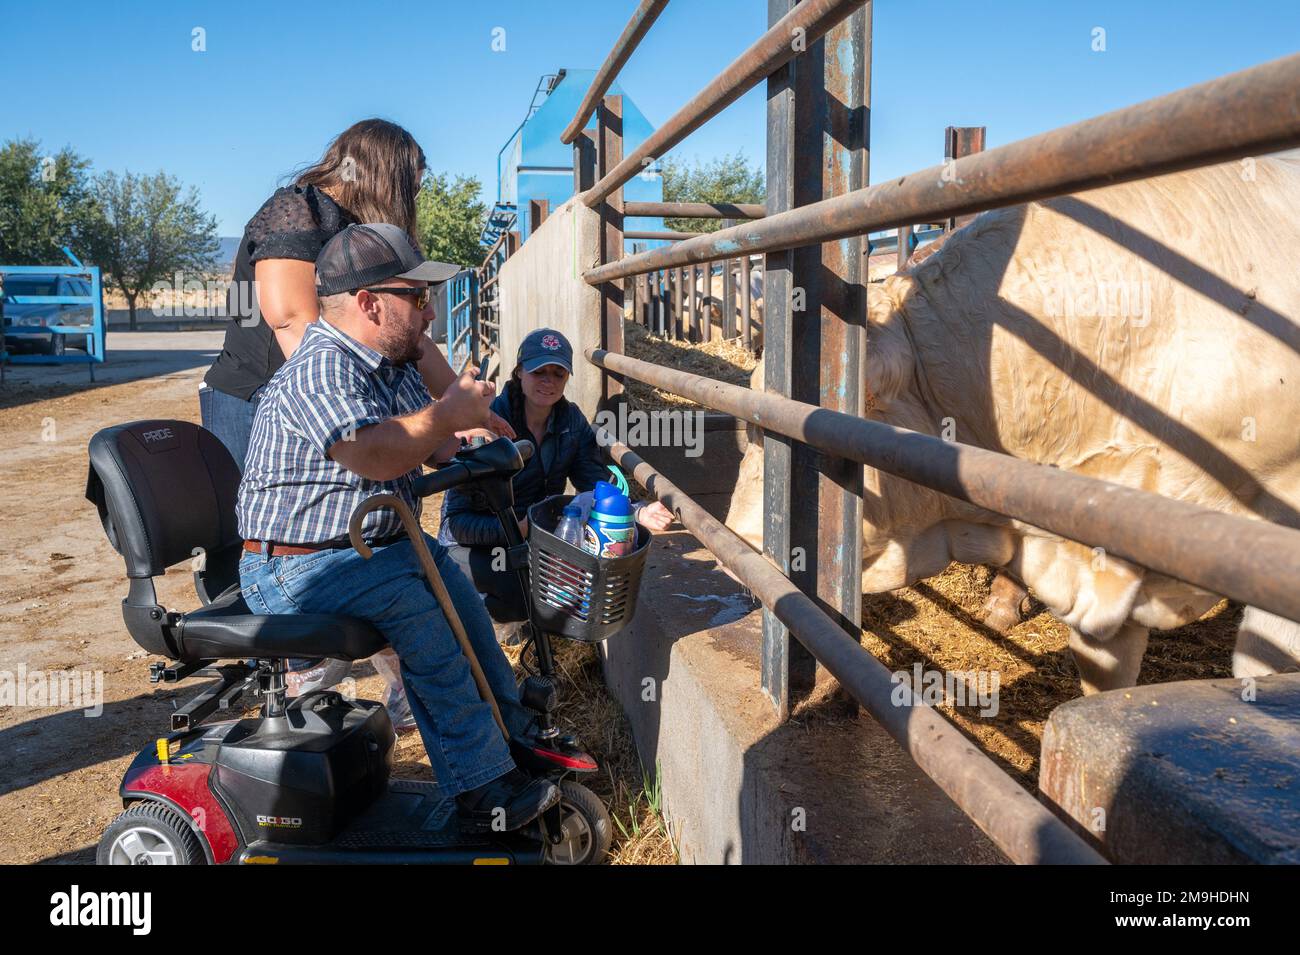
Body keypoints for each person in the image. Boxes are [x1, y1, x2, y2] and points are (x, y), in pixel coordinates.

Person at [237, 222, 556, 832]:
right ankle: (483, 788)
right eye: (418, 296)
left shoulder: (389, 361)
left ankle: (513, 737)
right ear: (368, 302)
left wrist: (468, 432)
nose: (430, 312)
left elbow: (426, 445)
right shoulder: (322, 368)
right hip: (292, 565)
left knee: (461, 601)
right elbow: (375, 453)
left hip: (365, 549)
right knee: (423, 618)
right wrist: (444, 416)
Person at [200, 118, 510, 468]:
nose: (414, 202)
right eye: (413, 189)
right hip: (254, 396)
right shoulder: (297, 211)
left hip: (332, 399)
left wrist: (465, 406)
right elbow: (294, 324)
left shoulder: (364, 234)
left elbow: (407, 334)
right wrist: (402, 417)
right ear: (386, 178)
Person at [439, 329, 673, 626]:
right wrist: (516, 528)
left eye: (558, 373)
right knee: (523, 590)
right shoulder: (488, 424)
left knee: (570, 576)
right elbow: (455, 523)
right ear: (520, 372)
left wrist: (636, 511)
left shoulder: (570, 421)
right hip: (472, 547)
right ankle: (473, 625)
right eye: (539, 372)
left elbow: (594, 482)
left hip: (530, 539)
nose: (548, 381)